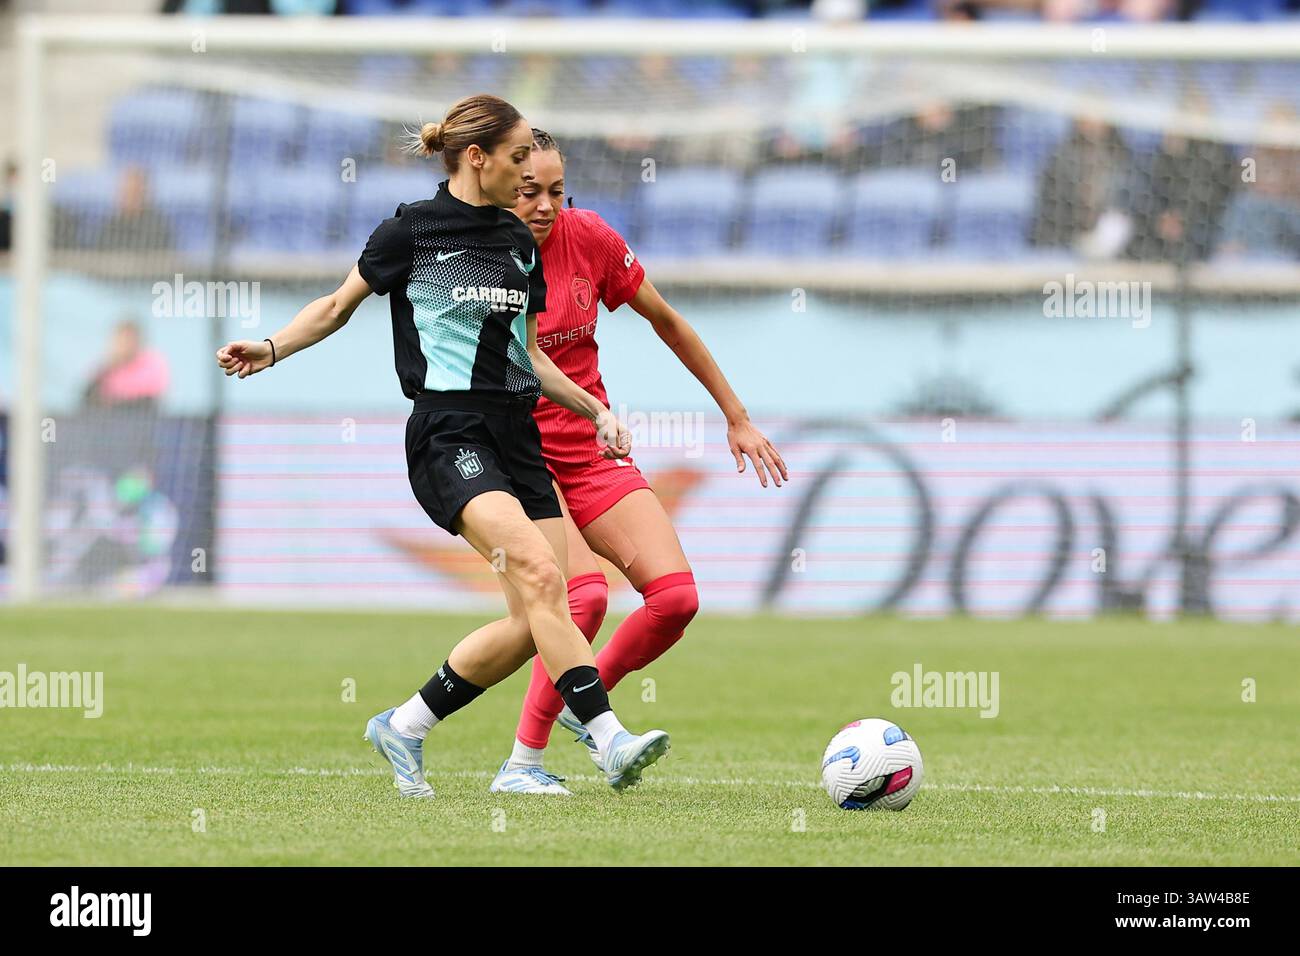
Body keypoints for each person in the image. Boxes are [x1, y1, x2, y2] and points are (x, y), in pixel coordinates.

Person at [216, 94, 670, 798]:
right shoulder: (411, 231)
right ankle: (608, 740)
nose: (529, 175)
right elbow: (337, 306)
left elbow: (527, 355)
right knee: (546, 578)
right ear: (477, 158)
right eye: (519, 158)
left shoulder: (518, 243)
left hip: (517, 439)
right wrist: (271, 347)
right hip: (450, 435)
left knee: (535, 619)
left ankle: (405, 724)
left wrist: (595, 410)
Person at [487, 128, 787, 795]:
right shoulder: (480, 258)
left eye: (557, 191)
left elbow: (667, 320)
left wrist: (735, 416)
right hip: (518, 456)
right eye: (529, 190)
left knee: (676, 598)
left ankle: (579, 704)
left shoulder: (588, 238)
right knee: (585, 598)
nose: (544, 205)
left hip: (592, 448)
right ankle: (522, 765)